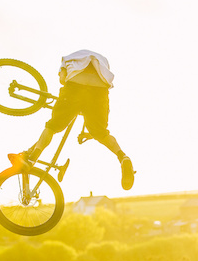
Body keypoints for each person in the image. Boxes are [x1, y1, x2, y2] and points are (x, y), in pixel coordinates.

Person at [10, 50, 135, 190]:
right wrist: (91, 132)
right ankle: (123, 157)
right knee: (102, 133)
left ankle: (32, 158)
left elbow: (63, 79)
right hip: (99, 91)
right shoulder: (102, 61)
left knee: (52, 127)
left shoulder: (65, 61)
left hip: (75, 86)